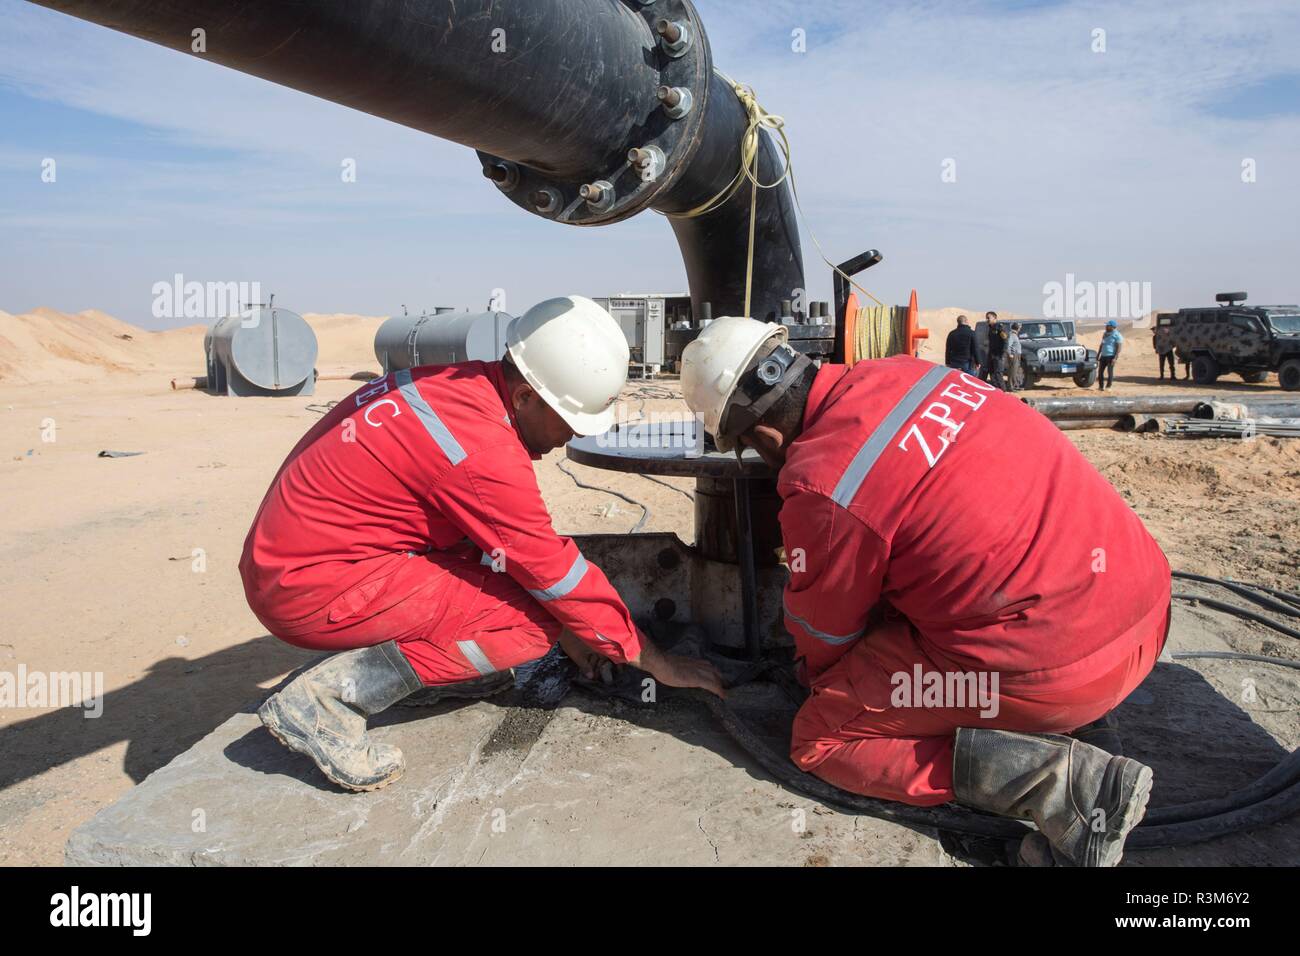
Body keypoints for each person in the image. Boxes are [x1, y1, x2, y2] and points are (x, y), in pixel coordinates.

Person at [680, 317, 1170, 867]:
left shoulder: (823, 483)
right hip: (1146, 613)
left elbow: (826, 632)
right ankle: (1059, 724)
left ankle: (1054, 783)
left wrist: (824, 682)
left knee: (821, 737)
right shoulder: (912, 375)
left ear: (761, 435)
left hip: (1063, 673)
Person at [241, 296, 723, 792]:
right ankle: (326, 701)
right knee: (531, 624)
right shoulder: (482, 449)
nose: (571, 435)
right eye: (569, 419)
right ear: (524, 398)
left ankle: (417, 672)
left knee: (510, 586)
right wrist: (652, 659)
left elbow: (494, 547)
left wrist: (578, 633)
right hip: (308, 586)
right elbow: (550, 571)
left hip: (296, 559)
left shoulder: (461, 387)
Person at [981, 311, 1007, 390]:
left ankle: (1003, 391)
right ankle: (996, 391)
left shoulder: (1000, 327)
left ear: (994, 318)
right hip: (991, 354)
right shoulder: (990, 328)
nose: (987, 320)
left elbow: (1005, 338)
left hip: (998, 355)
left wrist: (1002, 353)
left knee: (998, 374)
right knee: (992, 374)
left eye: (989, 318)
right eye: (986, 318)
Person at [1098, 319, 1123, 390]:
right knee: (1100, 372)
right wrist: (1098, 354)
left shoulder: (1117, 335)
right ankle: (1100, 386)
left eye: (1107, 325)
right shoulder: (1105, 333)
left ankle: (1108, 387)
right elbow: (1102, 344)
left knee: (1110, 372)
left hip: (1111, 356)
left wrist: (1115, 358)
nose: (1106, 326)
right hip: (1103, 356)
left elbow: (1119, 348)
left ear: (1112, 327)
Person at [1006, 322, 1023, 392]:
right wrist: (1010, 354)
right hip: (1014, 355)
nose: (1020, 329)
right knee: (1012, 371)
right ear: (1017, 328)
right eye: (1019, 327)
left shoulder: (1015, 335)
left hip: (1017, 355)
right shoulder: (1012, 335)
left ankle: (1015, 385)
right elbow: (1008, 345)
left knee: (1016, 371)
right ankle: (1011, 387)